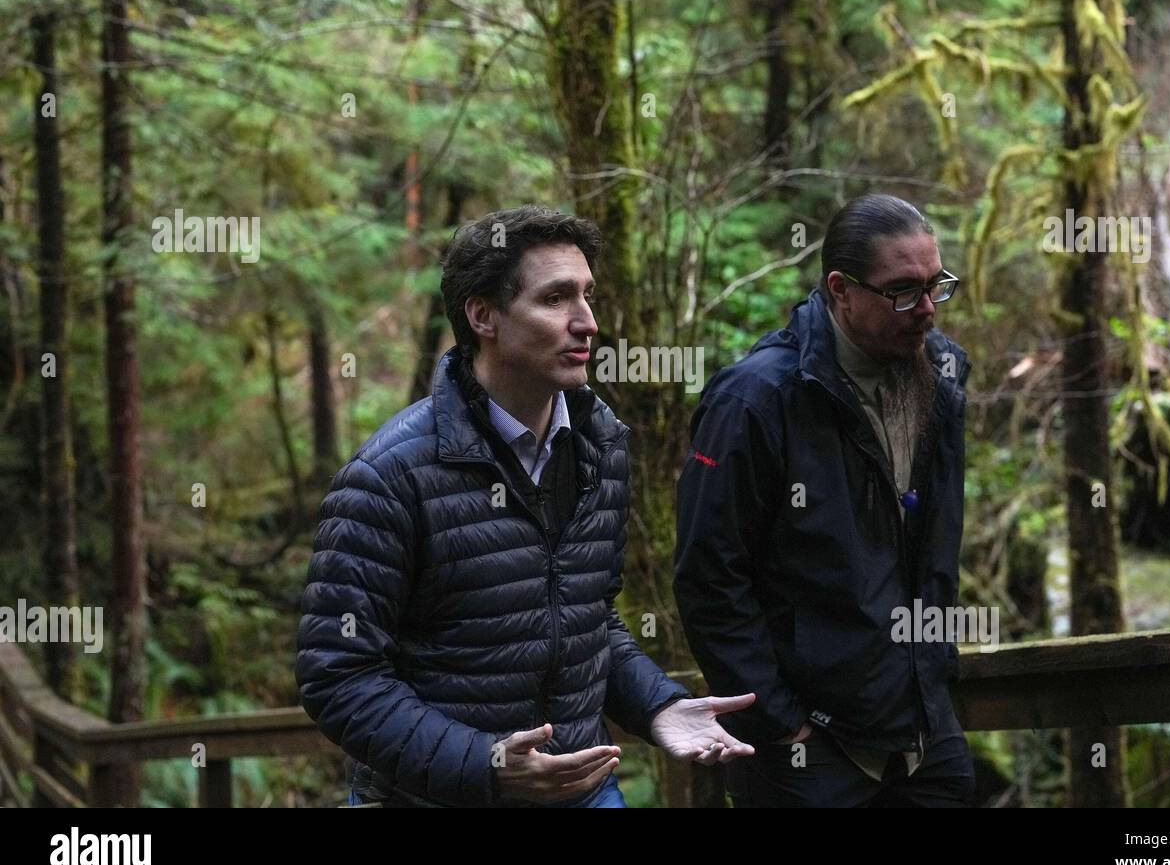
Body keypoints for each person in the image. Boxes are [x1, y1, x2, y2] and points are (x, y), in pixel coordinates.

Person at [297, 205, 754, 808]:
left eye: (588, 295)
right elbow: (339, 675)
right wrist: (484, 765)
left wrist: (657, 705)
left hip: (582, 789)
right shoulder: (388, 475)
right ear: (483, 315)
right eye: (557, 299)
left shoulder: (602, 447)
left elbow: (585, 615)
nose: (587, 322)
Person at [673, 194, 976, 807]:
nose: (925, 310)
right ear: (840, 288)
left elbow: (932, 541)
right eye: (900, 291)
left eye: (935, 285)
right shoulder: (757, 400)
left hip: (923, 728)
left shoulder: (940, 373)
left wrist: (933, 676)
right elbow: (709, 576)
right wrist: (782, 724)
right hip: (808, 749)